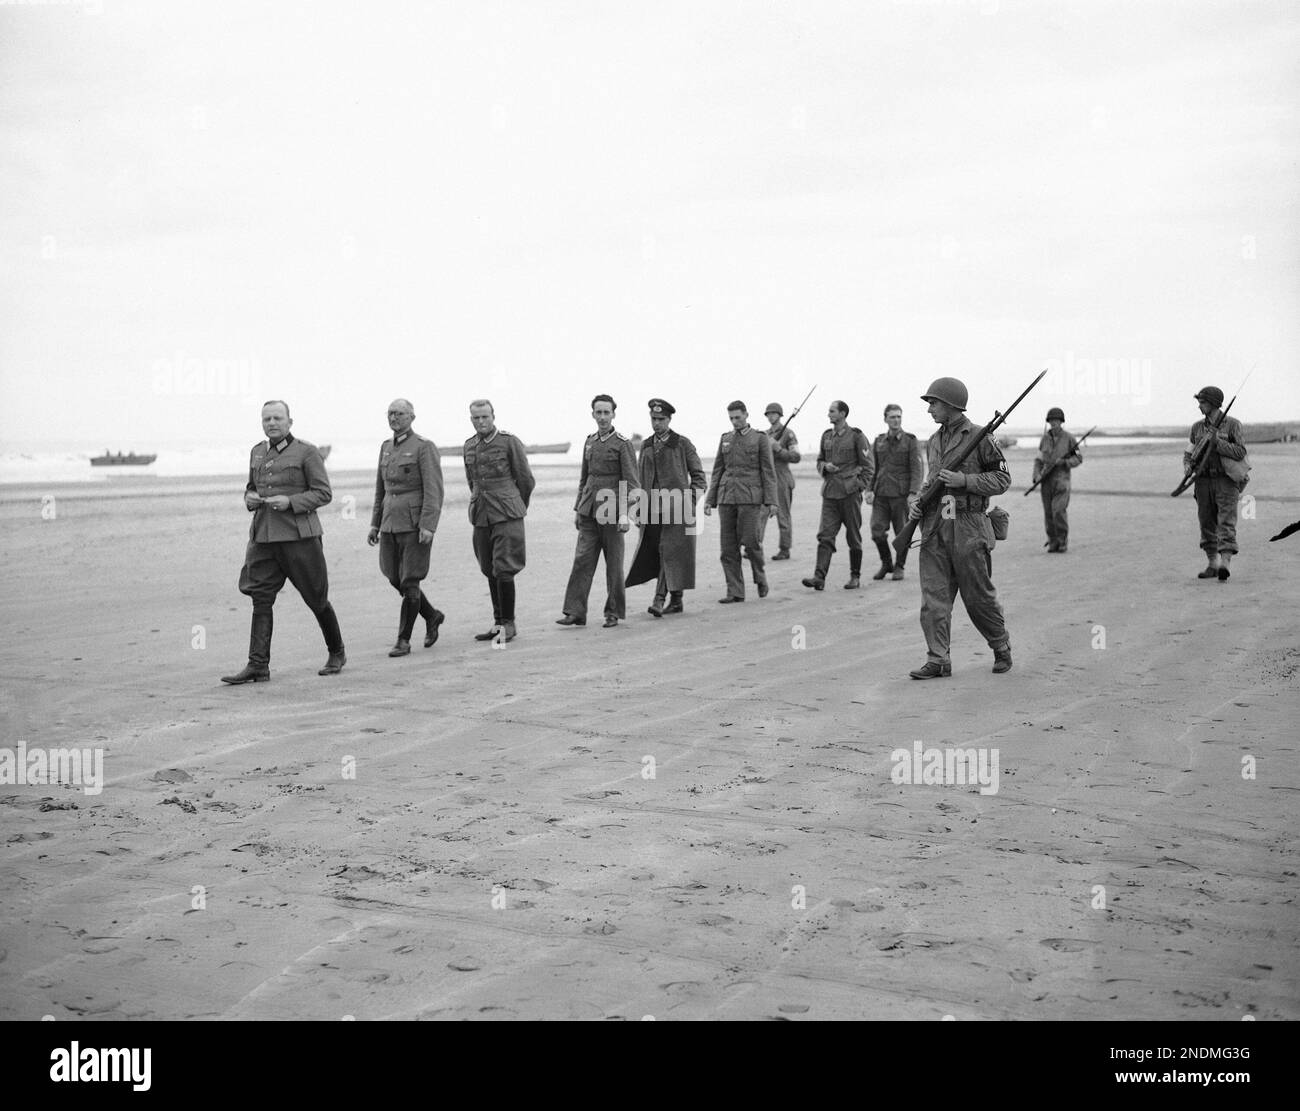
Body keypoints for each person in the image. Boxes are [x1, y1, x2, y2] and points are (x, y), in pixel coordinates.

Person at [222, 400, 345, 683]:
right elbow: (251, 488)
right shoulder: (257, 452)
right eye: (267, 419)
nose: (272, 423)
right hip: (263, 537)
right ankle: (258, 665)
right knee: (260, 597)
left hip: (299, 537)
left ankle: (337, 652)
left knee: (316, 598)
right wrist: (249, 499)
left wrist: (291, 502)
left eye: (278, 418)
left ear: (290, 422)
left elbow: (323, 493)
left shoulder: (307, 452)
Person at [907, 377, 1012, 679]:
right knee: (934, 598)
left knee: (978, 596)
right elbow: (931, 481)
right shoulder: (933, 440)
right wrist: (917, 501)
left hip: (969, 526)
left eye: (933, 403)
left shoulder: (981, 437)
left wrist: (965, 481)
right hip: (935, 524)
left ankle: (1000, 645)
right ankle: (938, 658)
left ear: (951, 404)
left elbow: (1003, 479)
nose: (929, 409)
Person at [367, 398, 445, 656]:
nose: (394, 418)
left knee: (410, 580)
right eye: (390, 413)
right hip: (390, 522)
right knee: (394, 577)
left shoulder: (424, 447)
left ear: (412, 417)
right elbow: (381, 489)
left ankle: (403, 640)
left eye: (400, 414)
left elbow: (434, 490)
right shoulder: (386, 447)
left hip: (414, 524)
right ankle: (431, 615)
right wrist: (375, 523)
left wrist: (428, 525)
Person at [558, 394, 640, 628]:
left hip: (612, 513)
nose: (602, 417)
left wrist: (624, 514)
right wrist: (578, 509)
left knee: (614, 565)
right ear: (592, 414)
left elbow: (632, 483)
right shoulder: (590, 441)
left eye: (606, 412)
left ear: (613, 414)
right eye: (598, 412)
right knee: (581, 561)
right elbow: (584, 478)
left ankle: (613, 612)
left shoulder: (622, 444)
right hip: (588, 512)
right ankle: (575, 612)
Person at [625, 398, 707, 616]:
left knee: (668, 551)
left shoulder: (682, 444)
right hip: (652, 510)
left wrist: (689, 502)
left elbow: (699, 478)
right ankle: (677, 600)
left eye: (661, 419)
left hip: (678, 511)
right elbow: (640, 479)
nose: (657, 423)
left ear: (669, 419)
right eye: (654, 419)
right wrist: (638, 509)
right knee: (662, 553)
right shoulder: (646, 446)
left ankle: (659, 599)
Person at [465, 400, 535, 642]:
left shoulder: (508, 441)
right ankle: (497, 623)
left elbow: (526, 480)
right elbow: (472, 481)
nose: (481, 422)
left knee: (504, 568)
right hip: (481, 514)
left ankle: (508, 623)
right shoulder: (469, 445)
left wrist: (516, 505)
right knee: (488, 568)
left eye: (485, 417)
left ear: (493, 416)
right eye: (476, 418)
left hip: (507, 514)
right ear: (471, 419)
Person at [703, 401, 777, 602]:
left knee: (751, 543)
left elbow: (768, 471)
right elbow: (718, 470)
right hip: (727, 498)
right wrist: (710, 499)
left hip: (750, 499)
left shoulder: (760, 438)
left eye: (738, 417)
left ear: (746, 415)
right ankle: (735, 591)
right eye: (731, 418)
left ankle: (760, 577)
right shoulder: (725, 439)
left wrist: (772, 501)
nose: (735, 422)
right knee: (728, 548)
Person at [801, 401, 875, 590]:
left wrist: (858, 487)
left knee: (853, 536)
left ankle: (855, 577)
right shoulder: (826, 436)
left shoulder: (857, 436)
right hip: (830, 494)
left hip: (849, 495)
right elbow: (820, 460)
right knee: (825, 535)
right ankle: (819, 577)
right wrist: (825, 467)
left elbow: (868, 467)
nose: (829, 414)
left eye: (832, 411)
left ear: (842, 413)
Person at [1184, 386, 1250, 581]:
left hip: (1226, 480)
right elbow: (1188, 453)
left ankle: (1225, 564)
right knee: (1206, 522)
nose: (1199, 406)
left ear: (1213, 403)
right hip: (1202, 481)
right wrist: (1187, 466)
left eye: (1202, 402)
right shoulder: (1197, 428)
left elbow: (1240, 452)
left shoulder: (1233, 425)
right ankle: (1212, 564)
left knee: (1226, 522)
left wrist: (1217, 443)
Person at [869, 404, 924, 581]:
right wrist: (869, 489)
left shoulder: (910, 440)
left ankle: (899, 566)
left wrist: (913, 492)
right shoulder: (879, 441)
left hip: (901, 495)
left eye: (899, 416)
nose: (896, 420)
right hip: (881, 494)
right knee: (877, 531)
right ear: (885, 419)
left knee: (902, 532)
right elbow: (874, 468)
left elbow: (917, 468)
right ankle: (886, 563)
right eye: (892, 417)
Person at [1031, 407, 1083, 553]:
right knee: (1048, 513)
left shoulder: (1069, 438)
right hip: (1046, 481)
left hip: (1062, 481)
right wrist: (1036, 475)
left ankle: (1062, 541)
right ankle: (1053, 542)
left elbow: (1078, 458)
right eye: (1052, 420)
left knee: (1059, 511)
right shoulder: (1044, 439)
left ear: (1061, 422)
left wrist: (1065, 462)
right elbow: (1038, 460)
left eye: (1056, 420)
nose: (1054, 423)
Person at [764, 402, 801, 559]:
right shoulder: (765, 435)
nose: (771, 416)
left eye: (773, 413)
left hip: (782, 478)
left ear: (779, 415)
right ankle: (754, 545)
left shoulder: (788, 434)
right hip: (767, 478)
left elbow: (796, 457)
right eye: (768, 414)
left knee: (783, 515)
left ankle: (785, 549)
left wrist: (778, 448)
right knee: (760, 514)